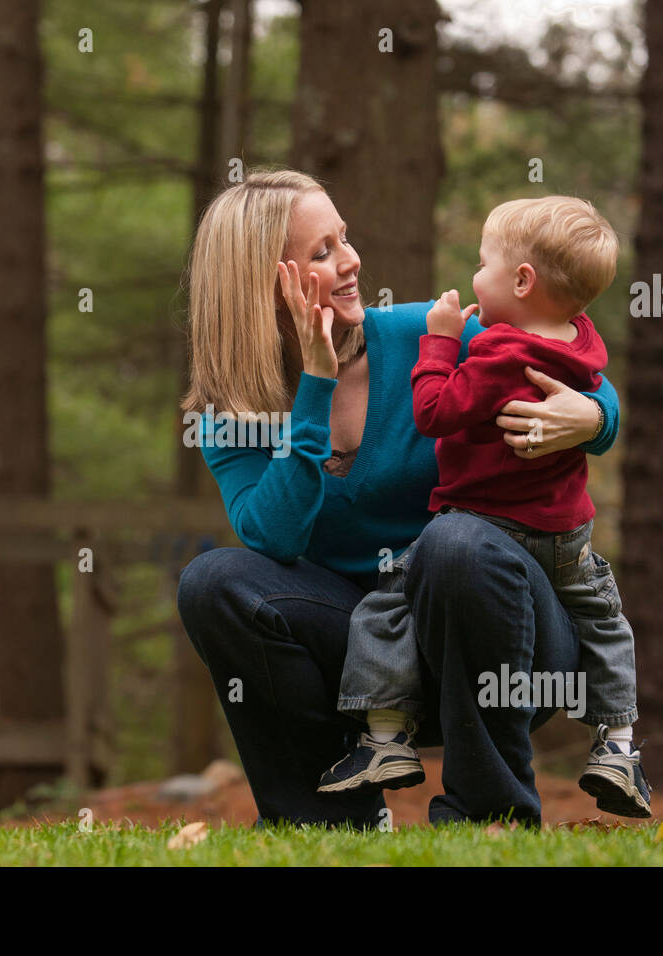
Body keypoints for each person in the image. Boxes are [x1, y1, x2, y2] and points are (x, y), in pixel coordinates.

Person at [177, 169, 621, 827]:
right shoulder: (232, 408)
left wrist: (593, 417)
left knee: (457, 541)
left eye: (344, 239)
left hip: (504, 637)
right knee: (213, 581)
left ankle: (487, 817)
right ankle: (326, 820)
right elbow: (274, 539)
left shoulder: (429, 337)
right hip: (367, 655)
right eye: (322, 251)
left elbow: (574, 367)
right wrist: (315, 392)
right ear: (266, 284)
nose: (352, 261)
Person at [318, 196, 650, 819]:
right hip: (565, 537)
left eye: (482, 263)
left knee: (387, 602)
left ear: (522, 281)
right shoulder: (582, 342)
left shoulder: (498, 355)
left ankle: (386, 736)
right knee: (605, 620)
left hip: (489, 530)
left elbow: (436, 411)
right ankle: (618, 745)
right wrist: (597, 412)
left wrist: (440, 344)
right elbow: (601, 398)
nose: (474, 277)